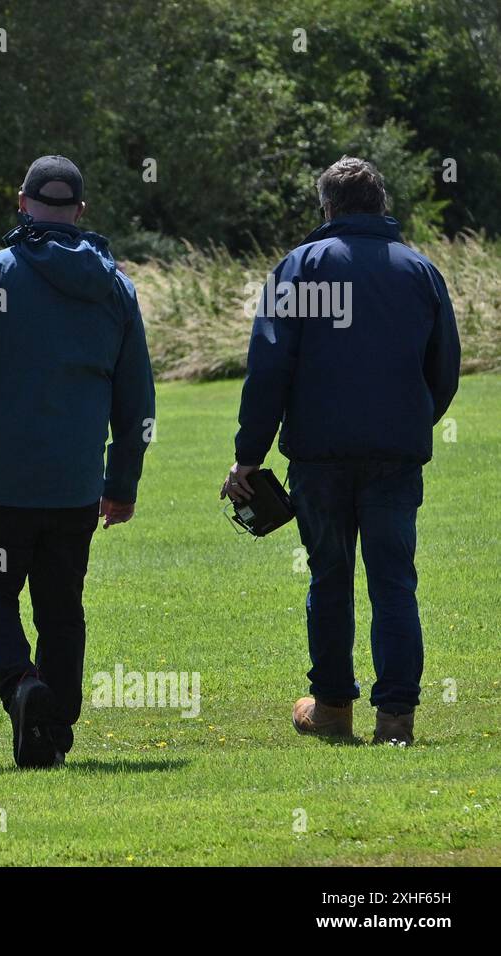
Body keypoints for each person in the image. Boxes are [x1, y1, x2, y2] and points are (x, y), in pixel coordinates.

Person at [0, 155, 156, 768]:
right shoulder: (115, 287)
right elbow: (137, 400)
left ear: (22, 203)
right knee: (60, 607)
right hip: (75, 486)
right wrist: (121, 482)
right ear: (80, 212)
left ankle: (23, 687)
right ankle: (53, 728)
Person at [221, 156, 460, 746]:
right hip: (394, 456)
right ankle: (396, 719)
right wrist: (412, 421)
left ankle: (331, 706)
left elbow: (269, 370)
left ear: (326, 207)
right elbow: (445, 368)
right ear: (381, 204)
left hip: (320, 458)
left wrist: (248, 455)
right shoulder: (420, 271)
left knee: (329, 577)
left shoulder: (300, 269)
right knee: (394, 582)